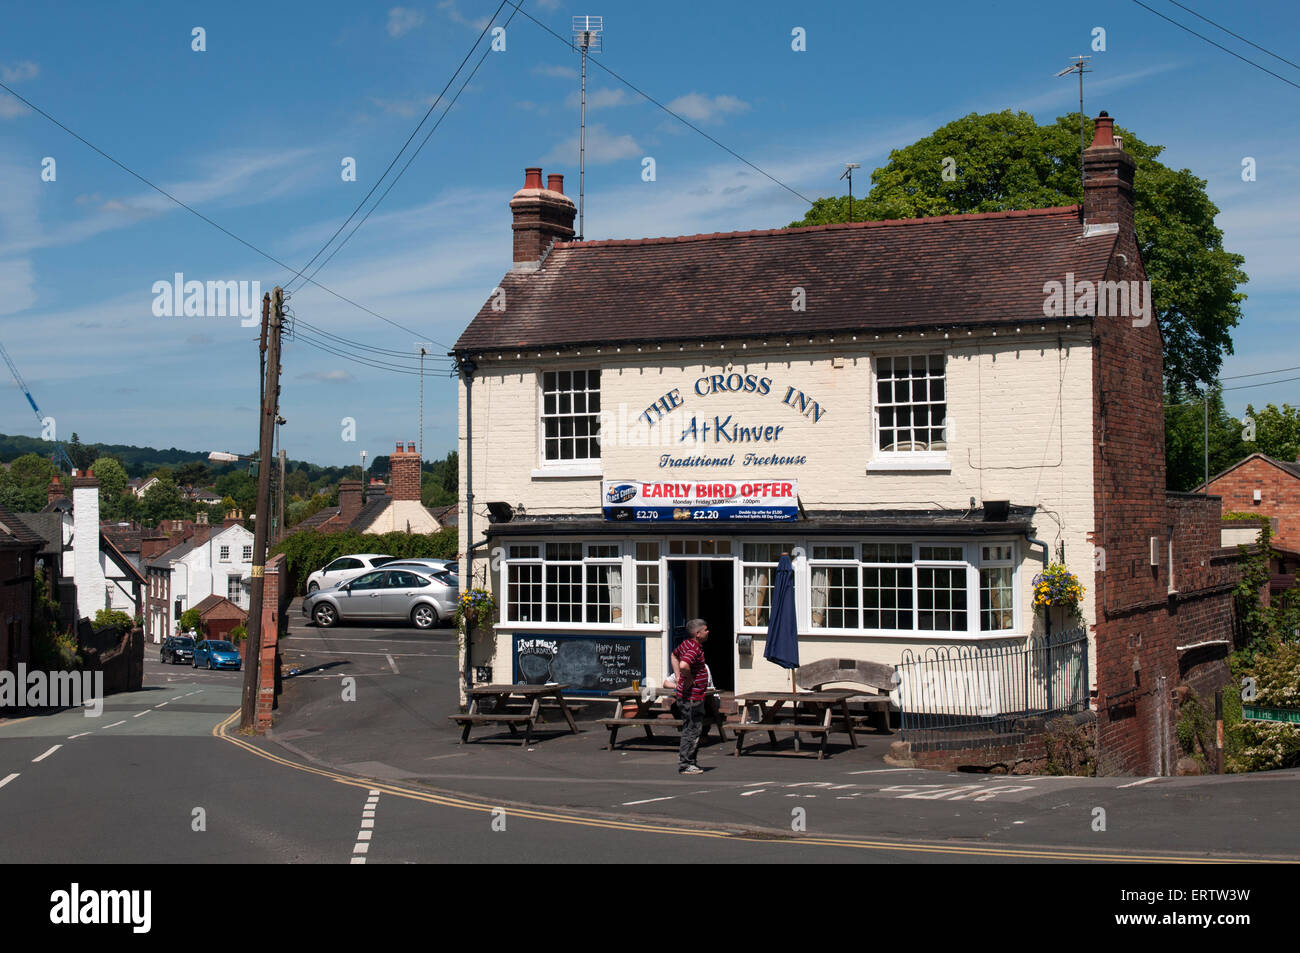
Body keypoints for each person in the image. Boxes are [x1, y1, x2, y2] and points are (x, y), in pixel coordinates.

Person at [672, 618, 710, 774]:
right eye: (706, 629)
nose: (708, 632)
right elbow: (683, 664)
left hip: (689, 695)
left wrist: (677, 676)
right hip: (691, 697)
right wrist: (686, 677)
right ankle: (686, 764)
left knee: (691, 727)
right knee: (692, 729)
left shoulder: (686, 644)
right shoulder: (693, 648)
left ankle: (690, 762)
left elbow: (674, 656)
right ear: (698, 633)